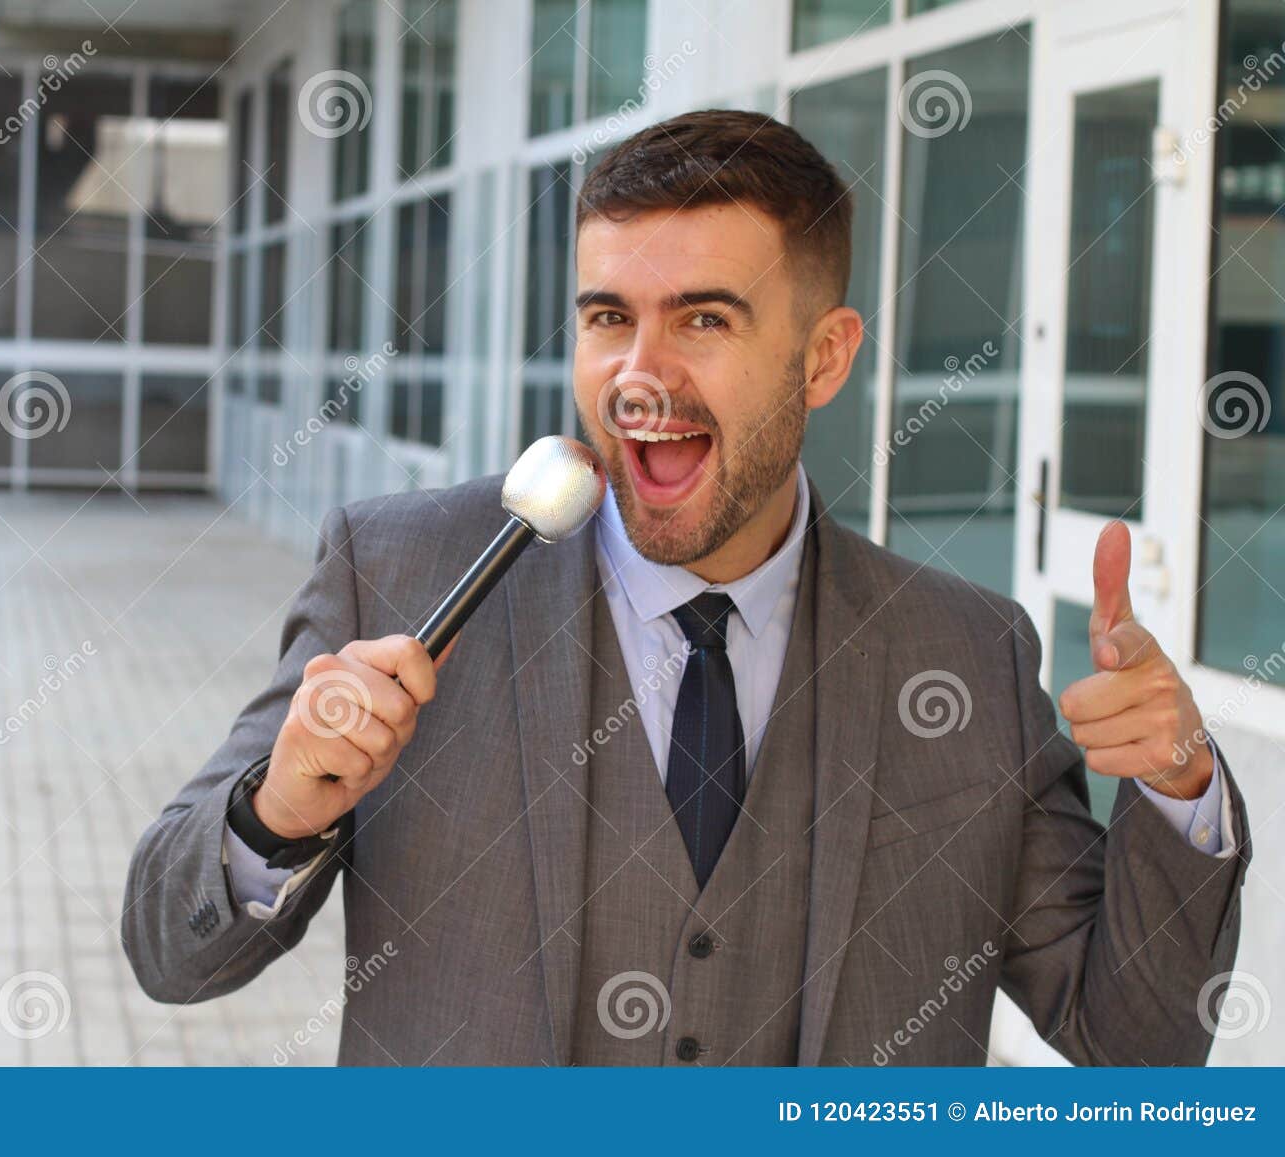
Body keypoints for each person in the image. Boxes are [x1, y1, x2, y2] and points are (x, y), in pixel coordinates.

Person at [121, 109, 1248, 1065]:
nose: (638, 374)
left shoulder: (965, 656)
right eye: (608, 317)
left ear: (823, 357)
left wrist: (1175, 784)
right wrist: (279, 810)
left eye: (703, 318)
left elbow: (1136, 1040)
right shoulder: (398, 571)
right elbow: (171, 954)